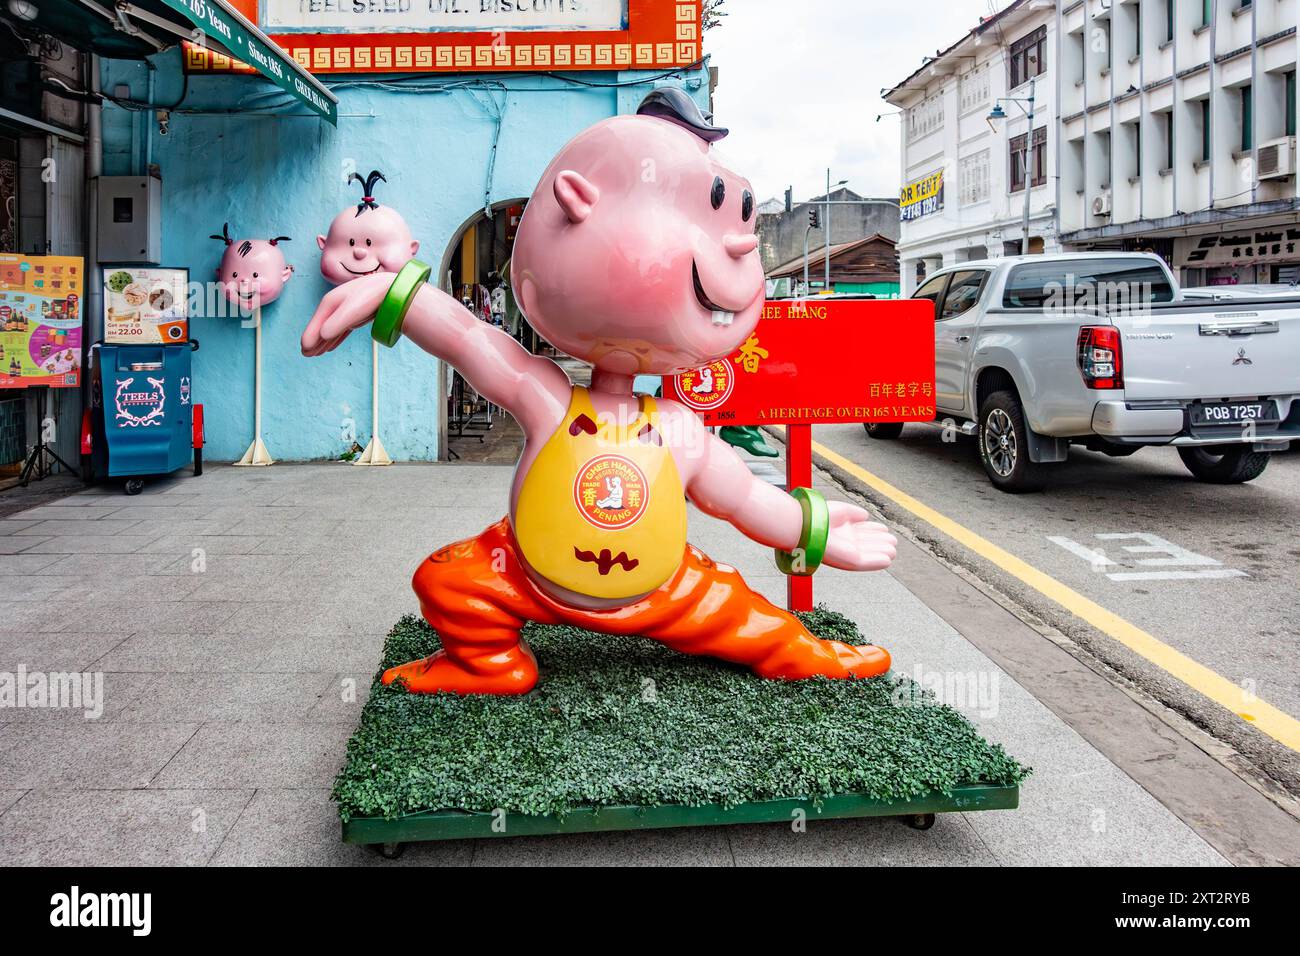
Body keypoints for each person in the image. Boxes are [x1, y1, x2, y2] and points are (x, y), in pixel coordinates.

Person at [302, 88, 896, 695]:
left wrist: (811, 530)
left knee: (757, 624)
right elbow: (470, 341)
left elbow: (744, 499)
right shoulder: (549, 396)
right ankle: (491, 664)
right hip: (524, 575)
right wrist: (396, 293)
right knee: (447, 580)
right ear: (575, 206)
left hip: (664, 589)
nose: (739, 247)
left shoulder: (678, 428)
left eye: (738, 220)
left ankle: (810, 655)